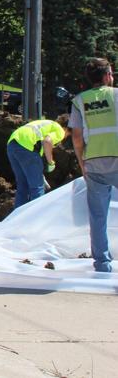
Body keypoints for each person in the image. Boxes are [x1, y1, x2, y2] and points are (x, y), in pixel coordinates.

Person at [69, 58, 118, 272]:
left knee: (98, 217)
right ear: (107, 76)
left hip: (94, 161)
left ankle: (103, 264)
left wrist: (82, 163)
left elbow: (77, 138)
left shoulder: (80, 101)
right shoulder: (116, 95)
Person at [6, 116, 69, 210]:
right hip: (27, 147)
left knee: (23, 184)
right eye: (68, 135)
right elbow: (47, 141)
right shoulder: (60, 130)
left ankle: (17, 219)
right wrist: (50, 162)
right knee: (37, 187)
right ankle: (37, 218)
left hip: (12, 144)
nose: (64, 137)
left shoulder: (47, 123)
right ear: (66, 128)